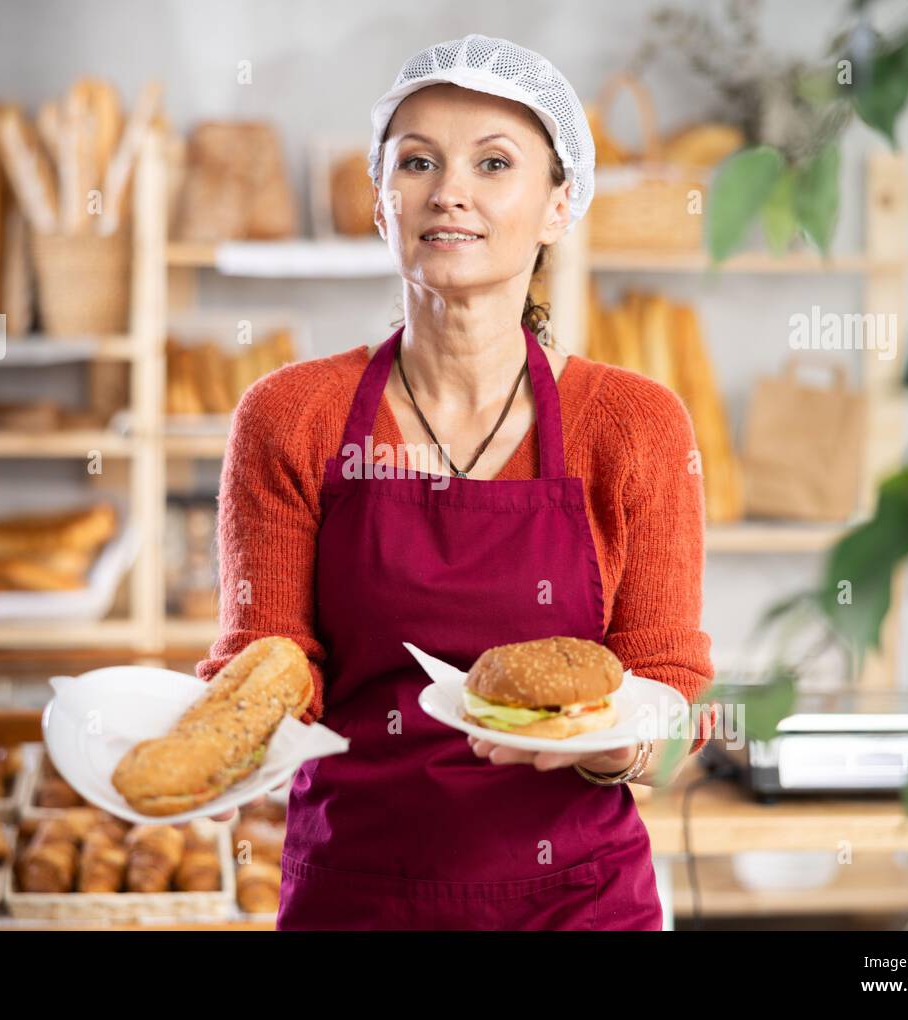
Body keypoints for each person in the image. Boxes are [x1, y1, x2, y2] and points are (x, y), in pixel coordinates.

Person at [198, 33, 715, 930]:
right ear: (379, 202)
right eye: (418, 161)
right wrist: (228, 734)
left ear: (559, 205)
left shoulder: (636, 426)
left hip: (577, 902)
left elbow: (667, 685)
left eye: (494, 162)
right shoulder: (289, 416)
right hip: (356, 895)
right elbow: (273, 662)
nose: (450, 191)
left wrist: (601, 746)